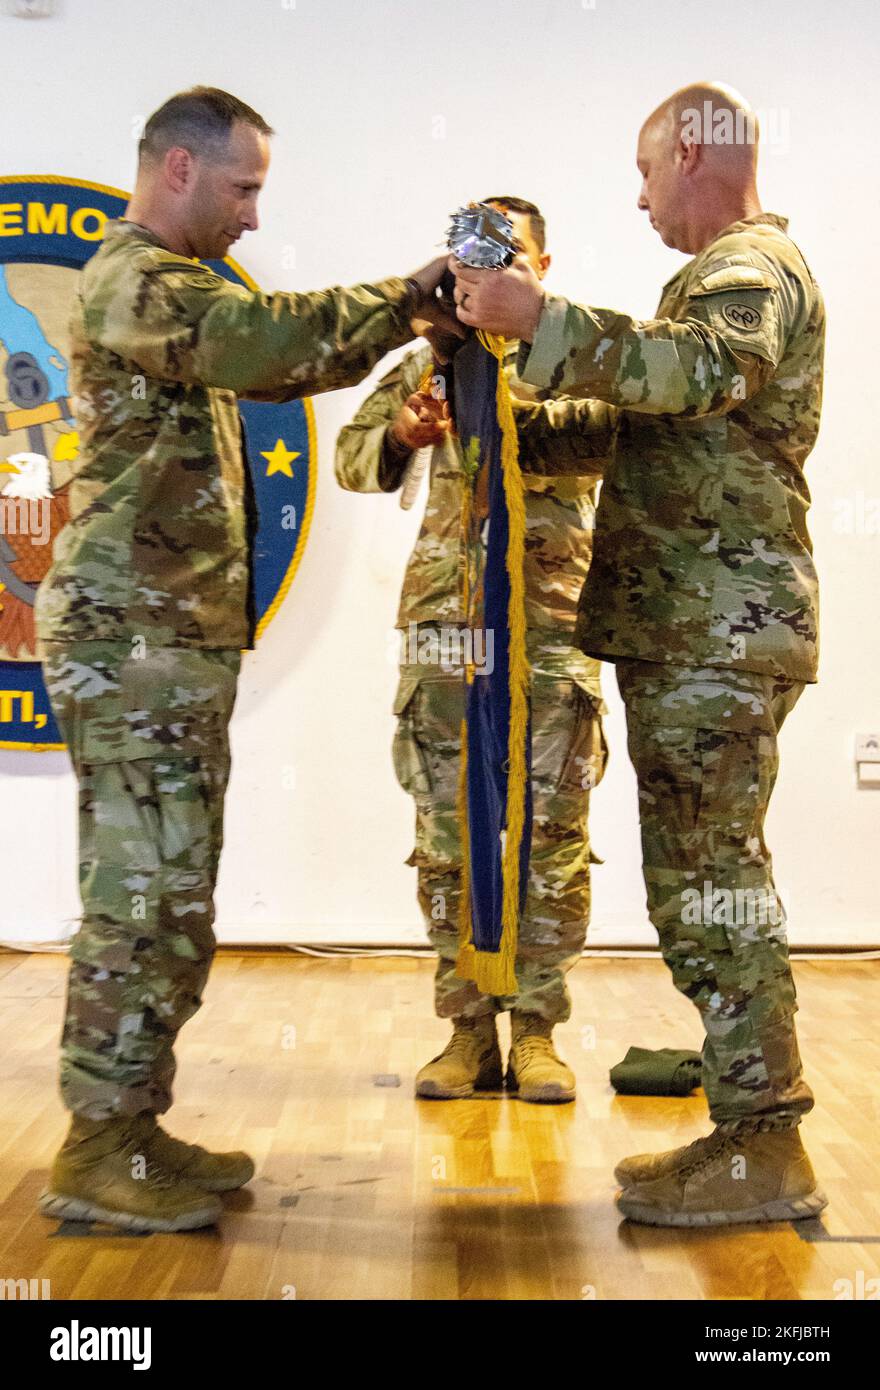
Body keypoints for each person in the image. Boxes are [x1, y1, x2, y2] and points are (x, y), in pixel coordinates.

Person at [35, 85, 451, 1233]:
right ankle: (97, 1145)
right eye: (244, 188)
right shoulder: (137, 282)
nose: (254, 217)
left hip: (169, 638)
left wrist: (408, 318)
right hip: (133, 640)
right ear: (178, 168)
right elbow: (269, 346)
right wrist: (408, 300)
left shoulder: (182, 289)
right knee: (140, 894)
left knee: (171, 889)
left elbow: (269, 361)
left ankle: (134, 1126)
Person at [450, 83, 827, 1228]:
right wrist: (512, 408)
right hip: (693, 631)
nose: (640, 192)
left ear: (698, 157)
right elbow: (648, 413)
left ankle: (765, 1143)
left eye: (647, 170)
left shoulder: (747, 271)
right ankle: (745, 1133)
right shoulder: (706, 281)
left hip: (717, 632)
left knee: (715, 886)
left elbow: (702, 370)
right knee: (702, 881)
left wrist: (542, 319)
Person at [336, 198, 607, 1105]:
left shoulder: (578, 358)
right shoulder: (426, 362)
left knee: (551, 839)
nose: (486, 271)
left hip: (550, 628)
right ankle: (465, 1033)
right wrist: (402, 434)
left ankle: (535, 1033)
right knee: (448, 836)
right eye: (471, 256)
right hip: (446, 634)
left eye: (510, 255)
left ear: (543, 264)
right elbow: (349, 458)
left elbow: (622, 448)